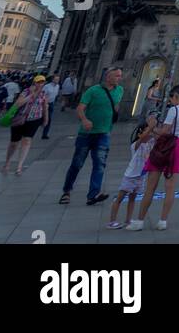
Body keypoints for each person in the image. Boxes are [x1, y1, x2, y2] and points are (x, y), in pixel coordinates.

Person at [127, 84, 179, 232]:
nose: (170, 101)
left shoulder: (174, 110)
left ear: (176, 97)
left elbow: (164, 131)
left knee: (151, 186)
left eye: (171, 98)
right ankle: (163, 220)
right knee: (170, 187)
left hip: (164, 146)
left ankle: (139, 220)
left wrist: (152, 128)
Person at [59, 66, 124, 206]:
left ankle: (93, 195)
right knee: (77, 164)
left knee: (99, 165)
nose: (120, 78)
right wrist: (84, 120)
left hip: (104, 133)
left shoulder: (120, 90)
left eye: (120, 75)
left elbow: (116, 106)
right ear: (108, 77)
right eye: (117, 76)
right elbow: (80, 108)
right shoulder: (93, 90)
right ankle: (66, 191)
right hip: (86, 134)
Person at [108, 115, 156, 229]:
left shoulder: (151, 143)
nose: (149, 134)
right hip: (130, 176)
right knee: (120, 198)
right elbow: (144, 137)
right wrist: (150, 127)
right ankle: (112, 221)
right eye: (146, 132)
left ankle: (128, 220)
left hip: (140, 176)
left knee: (132, 199)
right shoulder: (136, 145)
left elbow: (157, 136)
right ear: (140, 134)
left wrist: (153, 125)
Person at [3, 75, 49, 175]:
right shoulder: (26, 91)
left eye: (42, 82)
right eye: (39, 82)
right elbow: (18, 103)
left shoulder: (44, 94)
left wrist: (46, 119)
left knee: (27, 141)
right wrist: (32, 94)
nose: (40, 84)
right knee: (14, 143)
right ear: (34, 82)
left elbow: (45, 107)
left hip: (34, 120)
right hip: (20, 118)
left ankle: (19, 166)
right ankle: (7, 162)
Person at [41, 74, 60, 141]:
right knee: (40, 118)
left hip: (51, 104)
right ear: (52, 80)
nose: (57, 80)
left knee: (49, 119)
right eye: (56, 79)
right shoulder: (47, 86)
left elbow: (56, 95)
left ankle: (45, 134)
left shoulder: (57, 86)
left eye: (58, 79)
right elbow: (42, 95)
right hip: (43, 104)